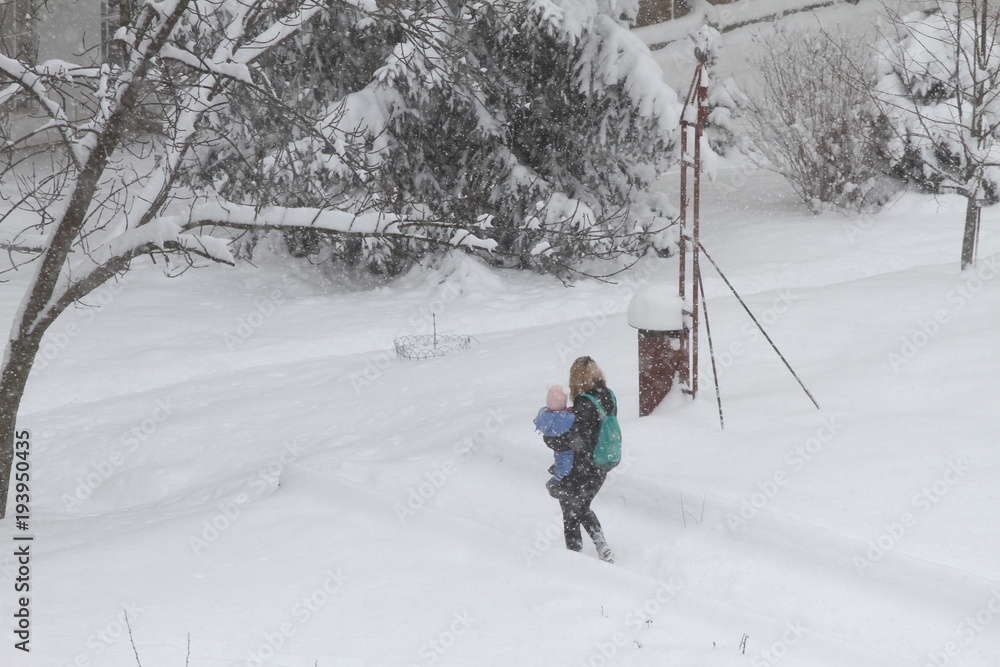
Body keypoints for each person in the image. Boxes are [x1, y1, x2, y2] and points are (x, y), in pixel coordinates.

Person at [547, 356, 616, 563]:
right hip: (602, 462)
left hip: (582, 466)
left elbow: (572, 440)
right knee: (581, 505)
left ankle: (574, 556)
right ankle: (600, 544)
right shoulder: (608, 395)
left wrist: (550, 436)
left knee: (570, 507)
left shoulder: (584, 402)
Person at [533, 385, 576, 483]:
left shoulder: (544, 414)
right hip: (564, 442)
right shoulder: (566, 417)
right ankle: (559, 477)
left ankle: (557, 466)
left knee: (558, 454)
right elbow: (574, 419)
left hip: (552, 440)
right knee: (566, 458)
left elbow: (537, 420)